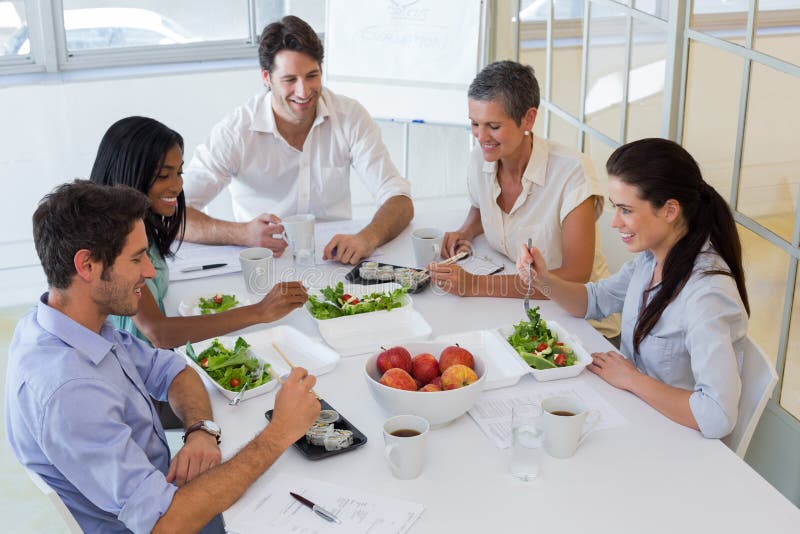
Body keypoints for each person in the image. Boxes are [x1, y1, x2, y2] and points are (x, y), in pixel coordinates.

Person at [5, 181, 321, 533]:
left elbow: (175, 371)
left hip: (164, 494)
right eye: (137, 258)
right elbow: (166, 524)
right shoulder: (69, 392)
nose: (150, 272)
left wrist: (200, 430)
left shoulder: (68, 321)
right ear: (88, 266)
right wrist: (279, 432)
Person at [516, 138, 750, 438]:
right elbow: (593, 301)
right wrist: (543, 279)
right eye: (615, 208)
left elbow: (717, 416)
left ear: (670, 210)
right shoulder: (651, 258)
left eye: (625, 210)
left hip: (675, 437)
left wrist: (631, 379)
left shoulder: (707, 294)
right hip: (632, 411)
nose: (614, 222)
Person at [183, 15, 413, 265]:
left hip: (334, 261)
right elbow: (173, 214)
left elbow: (399, 199)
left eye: (312, 76)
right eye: (290, 80)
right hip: (264, 261)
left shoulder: (350, 116)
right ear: (266, 77)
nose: (303, 92)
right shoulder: (236, 130)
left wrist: (368, 237)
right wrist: (242, 233)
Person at [428, 60, 619, 338]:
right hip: (520, 312)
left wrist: (476, 285)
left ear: (528, 119)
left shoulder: (572, 172)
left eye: (493, 126)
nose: (481, 137)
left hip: (582, 326)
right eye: (474, 124)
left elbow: (576, 276)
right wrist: (466, 230)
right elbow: (482, 204)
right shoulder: (480, 159)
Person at [90, 116, 308, 350]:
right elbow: (159, 332)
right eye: (164, 176)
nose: (177, 186)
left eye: (179, 173)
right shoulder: (117, 240)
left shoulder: (140, 223)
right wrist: (259, 312)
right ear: (129, 174)